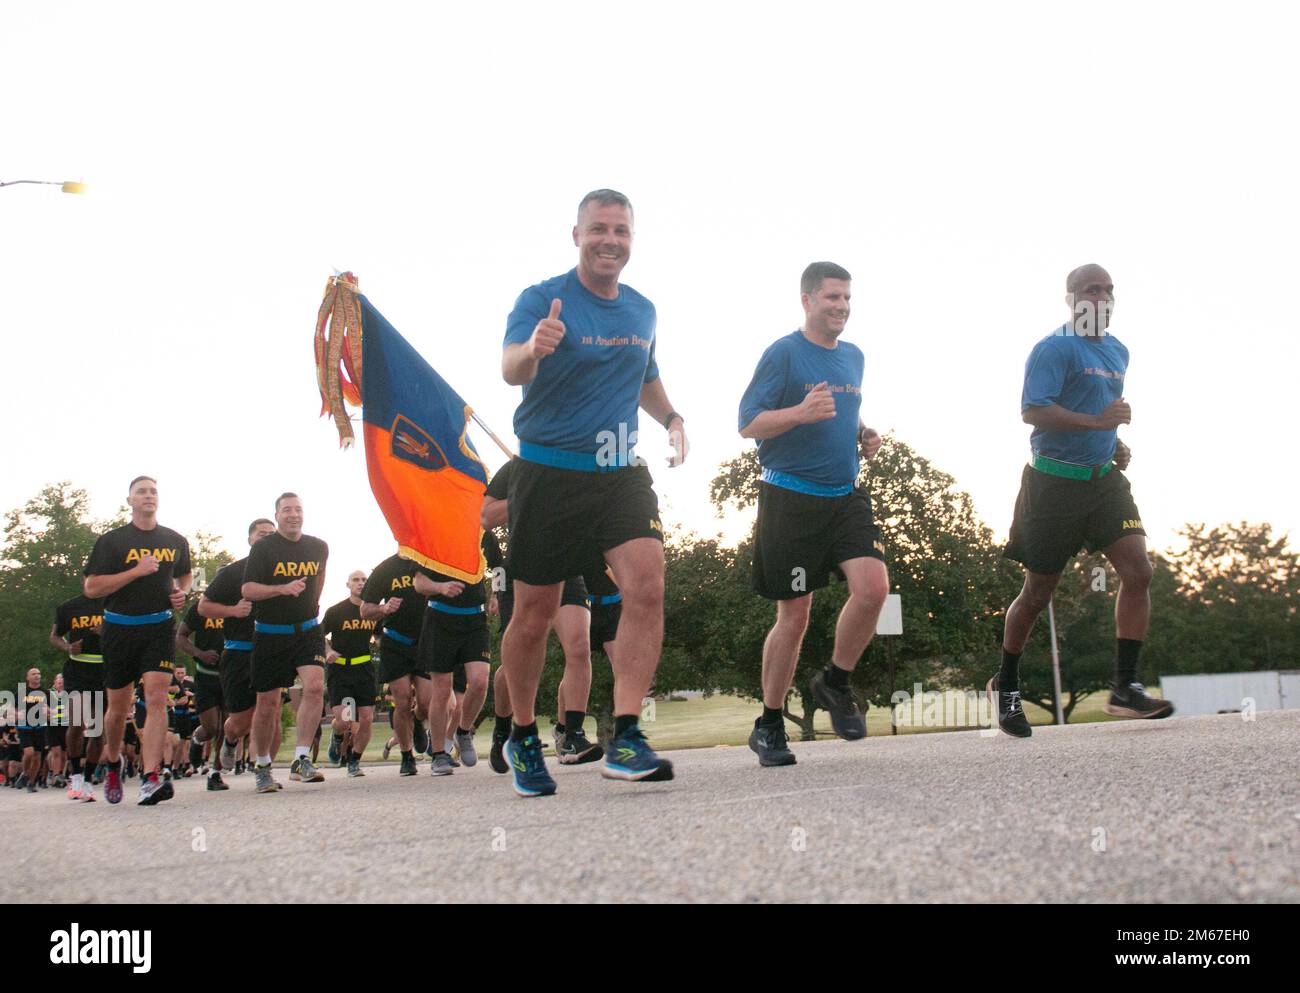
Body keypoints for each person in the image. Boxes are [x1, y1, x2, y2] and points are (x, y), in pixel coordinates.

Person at [498, 189, 687, 796]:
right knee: (531, 617)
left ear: (632, 238)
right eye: (599, 228)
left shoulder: (642, 312)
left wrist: (674, 419)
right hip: (549, 474)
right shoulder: (540, 298)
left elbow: (645, 377)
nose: (611, 239)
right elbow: (511, 369)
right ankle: (523, 733)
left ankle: (627, 733)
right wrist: (534, 348)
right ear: (576, 234)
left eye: (622, 230)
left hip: (619, 473)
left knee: (648, 583)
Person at [992, 264, 1169, 736]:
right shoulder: (1054, 348)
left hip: (1104, 481)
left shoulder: (1117, 350)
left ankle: (1124, 686)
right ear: (1071, 298)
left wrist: (1112, 442)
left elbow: (1099, 412)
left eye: (1109, 290)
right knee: (1038, 593)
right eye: (1092, 289)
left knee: (1139, 571)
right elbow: (1034, 411)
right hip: (1052, 485)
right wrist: (1097, 424)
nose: (1102, 297)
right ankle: (1006, 683)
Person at [737, 261, 889, 767]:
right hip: (792, 499)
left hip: (845, 495)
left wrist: (862, 434)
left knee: (873, 589)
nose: (841, 307)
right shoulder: (783, 354)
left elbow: (845, 409)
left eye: (847, 298)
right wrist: (800, 414)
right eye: (831, 298)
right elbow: (748, 424)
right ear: (807, 300)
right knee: (795, 615)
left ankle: (836, 681)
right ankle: (770, 723)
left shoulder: (854, 357)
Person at [481, 459, 604, 772]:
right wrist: (528, 495)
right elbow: (486, 516)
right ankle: (503, 729)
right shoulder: (514, 468)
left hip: (568, 563)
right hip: (523, 569)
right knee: (517, 661)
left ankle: (571, 733)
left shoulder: (577, 464)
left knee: (578, 647)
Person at [83, 475, 192, 805]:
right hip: (119, 629)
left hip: (159, 627)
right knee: (117, 709)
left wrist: (181, 593)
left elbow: (185, 574)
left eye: (153, 491)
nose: (148, 496)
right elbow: (92, 588)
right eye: (141, 492)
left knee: (157, 698)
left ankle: (150, 776)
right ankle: (113, 763)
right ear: (129, 501)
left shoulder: (174, 540)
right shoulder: (112, 542)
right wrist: (136, 571)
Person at [242, 493, 329, 793]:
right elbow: (249, 589)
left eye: (298, 509)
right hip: (269, 632)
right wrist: (282, 589)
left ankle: (301, 759)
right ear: (277, 515)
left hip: (307, 630)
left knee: (315, 687)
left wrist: (309, 608)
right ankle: (263, 766)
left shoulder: (318, 547)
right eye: (287, 510)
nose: (294, 514)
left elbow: (318, 582)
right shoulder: (264, 548)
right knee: (267, 703)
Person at [201, 518, 278, 785]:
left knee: (271, 711)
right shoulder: (233, 573)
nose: (266, 538)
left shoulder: (282, 571)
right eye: (261, 534)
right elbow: (203, 608)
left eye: (271, 534)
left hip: (271, 649)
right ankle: (230, 742)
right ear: (250, 540)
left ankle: (264, 772)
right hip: (238, 652)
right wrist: (233, 611)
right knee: (241, 721)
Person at [411, 537, 497, 776]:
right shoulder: (435, 533)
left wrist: (496, 595)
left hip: (475, 620)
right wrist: (440, 588)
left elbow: (499, 566)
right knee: (442, 688)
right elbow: (419, 582)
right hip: (440, 619)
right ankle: (439, 754)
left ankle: (463, 731)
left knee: (479, 681)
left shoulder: (482, 532)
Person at [362, 554, 432, 776]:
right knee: (402, 702)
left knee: (427, 702)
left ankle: (419, 721)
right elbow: (365, 610)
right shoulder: (386, 568)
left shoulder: (430, 562)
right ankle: (406, 755)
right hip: (395, 642)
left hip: (426, 641)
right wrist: (383, 609)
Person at [322, 570, 379, 777]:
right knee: (345, 720)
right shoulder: (336, 611)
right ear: (348, 584)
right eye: (356, 580)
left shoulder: (373, 611)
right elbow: (319, 634)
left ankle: (354, 761)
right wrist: (328, 651)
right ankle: (337, 736)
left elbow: (381, 635)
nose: (361, 583)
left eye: (364, 580)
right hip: (341, 670)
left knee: (366, 718)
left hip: (364, 669)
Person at [51, 593, 105, 801]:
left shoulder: (114, 603)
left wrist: (108, 632)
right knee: (76, 722)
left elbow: (130, 633)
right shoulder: (70, 606)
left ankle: (88, 779)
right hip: (77, 670)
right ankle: (75, 775)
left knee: (97, 731)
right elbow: (55, 636)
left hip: (102, 671)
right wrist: (68, 647)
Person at [176, 598, 229, 789]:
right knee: (212, 728)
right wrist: (199, 653)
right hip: (205, 676)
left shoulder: (243, 605)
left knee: (226, 727)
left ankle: (215, 774)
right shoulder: (201, 607)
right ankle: (197, 739)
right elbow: (180, 637)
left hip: (230, 675)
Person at [17, 668, 50, 794]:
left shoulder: (45, 693)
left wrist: (47, 712)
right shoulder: (21, 693)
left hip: (40, 727)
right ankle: (25, 774)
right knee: (29, 753)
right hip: (24, 726)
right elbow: (11, 710)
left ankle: (31, 782)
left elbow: (51, 710)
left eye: (39, 674)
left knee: (37, 756)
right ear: (28, 678)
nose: (37, 676)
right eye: (34, 674)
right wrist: (17, 713)